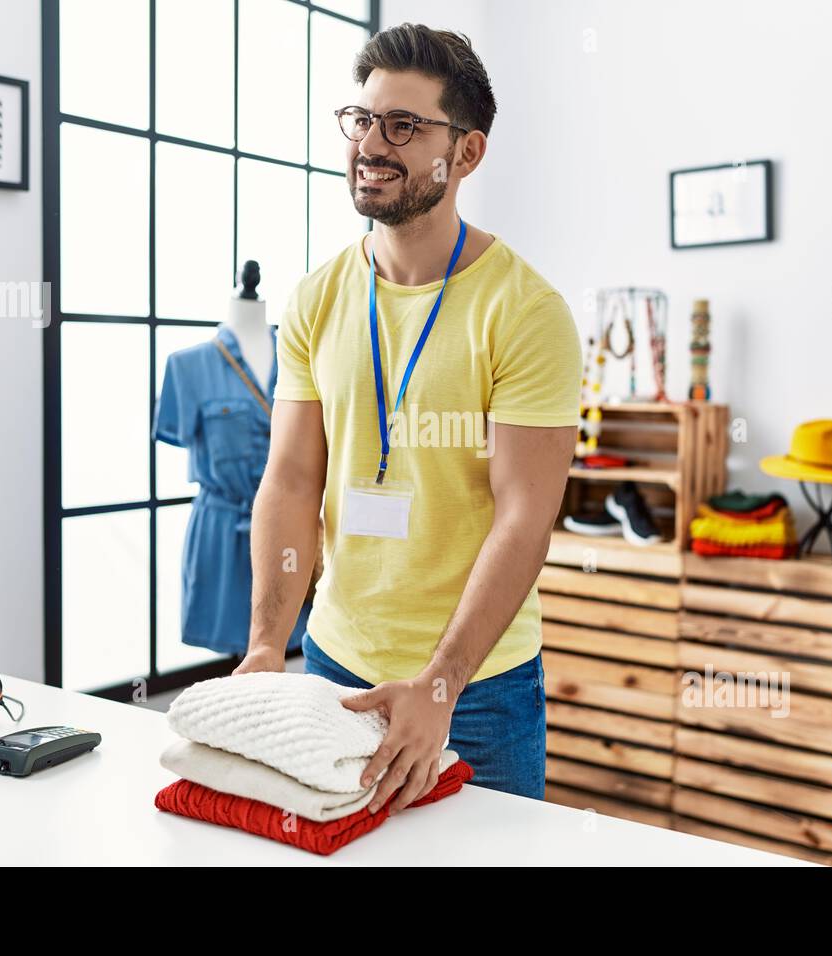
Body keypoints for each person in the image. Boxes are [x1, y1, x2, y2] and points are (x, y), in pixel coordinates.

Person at [234, 23, 581, 812]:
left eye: (403, 126)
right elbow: (289, 481)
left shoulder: (526, 312)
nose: (371, 144)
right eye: (362, 120)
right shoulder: (319, 297)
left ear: (465, 153)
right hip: (331, 667)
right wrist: (265, 644)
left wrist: (441, 681)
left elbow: (524, 519)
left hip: (479, 693)